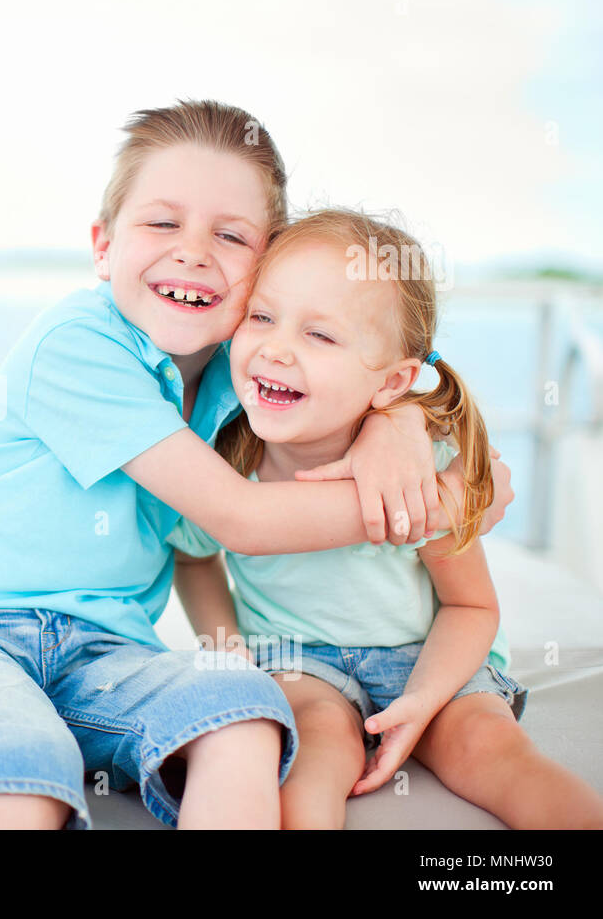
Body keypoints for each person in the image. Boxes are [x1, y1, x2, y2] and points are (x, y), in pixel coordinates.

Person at [0, 103, 513, 830]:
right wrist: (440, 499)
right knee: (18, 763)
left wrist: (401, 426)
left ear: (265, 268)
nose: (194, 252)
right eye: (162, 223)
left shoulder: (249, 368)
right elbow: (241, 521)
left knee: (245, 716)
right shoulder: (77, 346)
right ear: (104, 247)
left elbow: (398, 368)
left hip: (107, 651)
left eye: (231, 236)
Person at [170, 208, 603, 828]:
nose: (276, 347)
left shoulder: (421, 474)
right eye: (261, 317)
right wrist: (229, 648)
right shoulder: (227, 463)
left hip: (428, 658)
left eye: (320, 336)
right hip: (300, 661)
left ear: (394, 380)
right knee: (313, 753)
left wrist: (423, 703)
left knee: (492, 749)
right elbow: (193, 552)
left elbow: (470, 607)